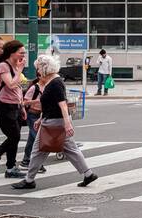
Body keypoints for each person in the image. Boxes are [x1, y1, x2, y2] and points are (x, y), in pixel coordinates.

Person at [13, 53, 97, 190]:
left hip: (53, 122)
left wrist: (67, 123)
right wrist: (41, 118)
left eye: (39, 68)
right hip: (53, 120)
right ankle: (88, 174)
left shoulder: (55, 83)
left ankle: (29, 180)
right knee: (70, 149)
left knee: (38, 150)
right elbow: (49, 103)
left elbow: (62, 104)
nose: (38, 72)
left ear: (45, 68)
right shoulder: (53, 81)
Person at [0, 40, 27, 178]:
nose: (23, 55)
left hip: (16, 106)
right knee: (14, 136)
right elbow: (10, 85)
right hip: (4, 106)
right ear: (12, 53)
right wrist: (20, 70)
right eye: (21, 52)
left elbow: (18, 89)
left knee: (14, 138)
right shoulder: (3, 66)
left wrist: (22, 105)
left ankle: (10, 168)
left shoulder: (15, 65)